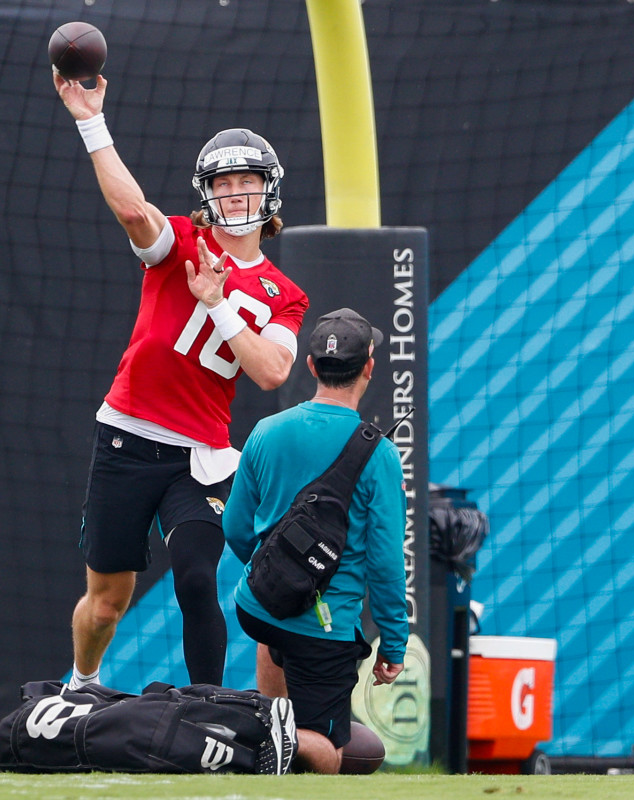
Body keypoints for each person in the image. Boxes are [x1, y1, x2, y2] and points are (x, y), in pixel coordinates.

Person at [54, 70, 309, 691]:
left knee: (197, 579)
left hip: (201, 455)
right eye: (224, 182)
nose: (236, 193)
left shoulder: (285, 294)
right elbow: (130, 209)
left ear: (269, 193)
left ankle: (207, 709)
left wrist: (218, 303)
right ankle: (81, 684)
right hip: (128, 436)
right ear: (206, 192)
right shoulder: (181, 243)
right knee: (107, 602)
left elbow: (273, 371)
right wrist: (91, 119)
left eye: (248, 181)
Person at [224, 308, 408, 774]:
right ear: (369, 365)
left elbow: (235, 529)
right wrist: (394, 646)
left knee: (278, 636)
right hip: (322, 629)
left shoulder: (266, 432)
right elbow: (387, 563)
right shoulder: (380, 455)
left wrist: (277, 573)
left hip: (258, 609)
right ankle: (266, 739)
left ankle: (270, 723)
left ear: (310, 366)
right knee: (333, 752)